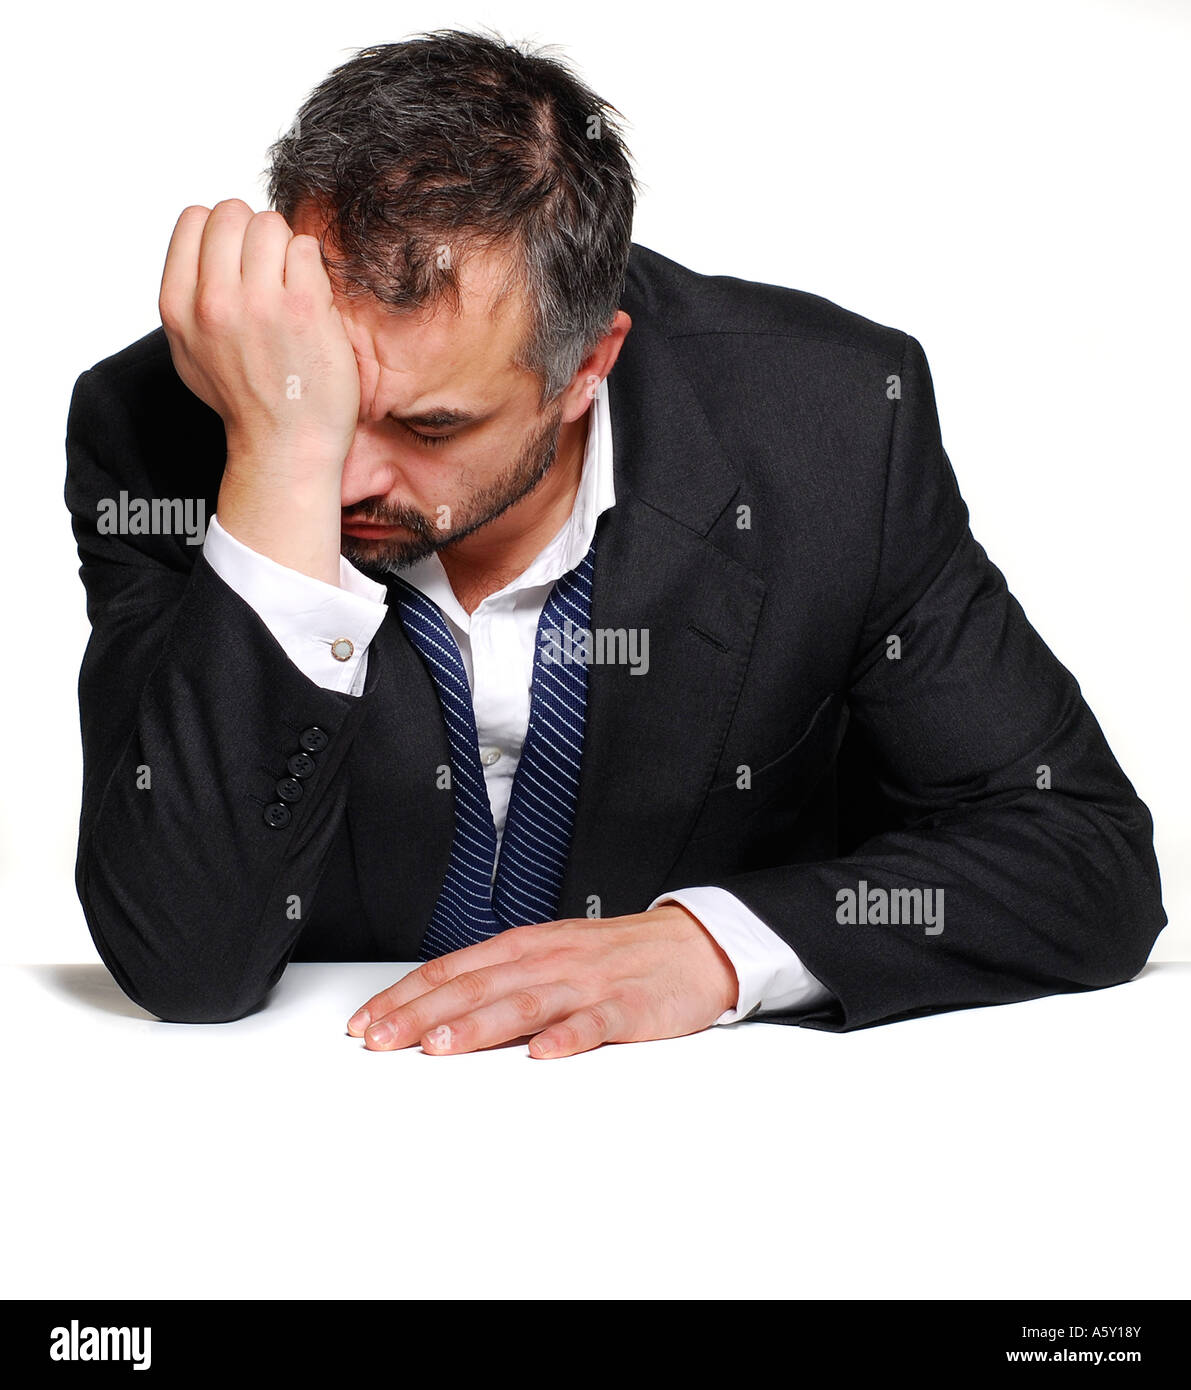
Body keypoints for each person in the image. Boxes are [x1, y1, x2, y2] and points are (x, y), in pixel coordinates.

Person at [64, 29, 1166, 1058]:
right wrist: (272, 451)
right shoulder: (158, 431)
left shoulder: (830, 428)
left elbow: (1082, 853)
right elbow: (186, 959)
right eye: (325, 398)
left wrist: (719, 946)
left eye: (431, 425)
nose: (347, 475)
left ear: (588, 366)